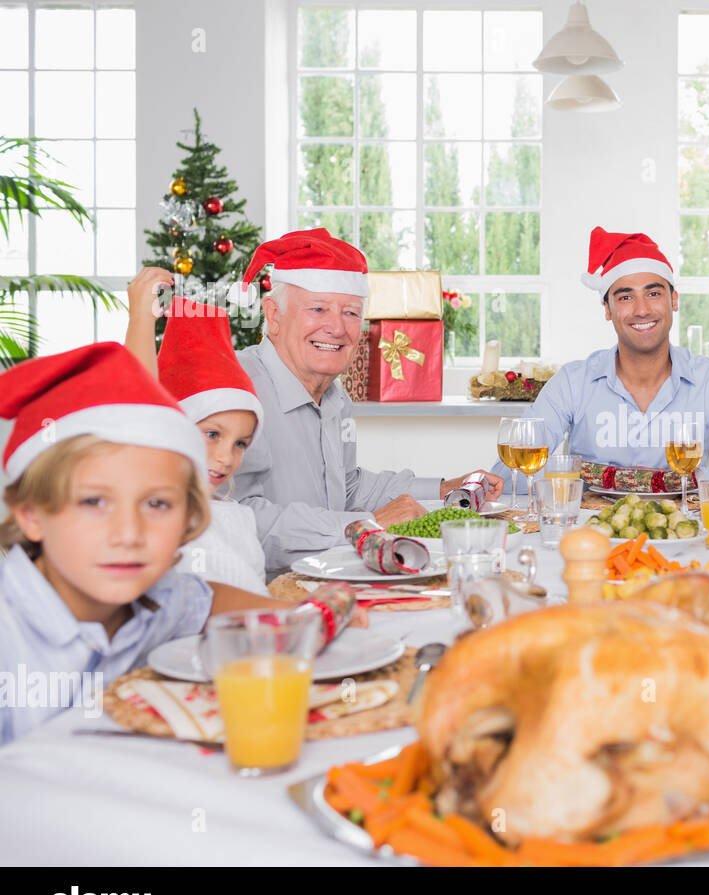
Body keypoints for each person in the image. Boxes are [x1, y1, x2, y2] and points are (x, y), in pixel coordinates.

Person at [0, 343, 302, 744]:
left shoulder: (157, 599)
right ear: (31, 514)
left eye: (157, 504)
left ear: (188, 518)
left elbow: (207, 600)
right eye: (94, 501)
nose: (129, 534)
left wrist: (309, 616)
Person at [230, 229, 502, 570]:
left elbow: (348, 486)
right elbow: (239, 518)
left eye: (351, 313)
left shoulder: (335, 399)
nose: (337, 328)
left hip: (329, 579)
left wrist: (445, 488)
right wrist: (365, 525)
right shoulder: (237, 390)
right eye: (318, 309)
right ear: (273, 316)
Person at [501, 226, 709, 491]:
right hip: (592, 529)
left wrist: (680, 481)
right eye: (626, 297)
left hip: (683, 530)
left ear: (673, 299)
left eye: (653, 293)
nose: (642, 310)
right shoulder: (573, 382)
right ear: (608, 309)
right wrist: (596, 476)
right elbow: (509, 474)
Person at [124, 268, 269, 594]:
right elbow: (142, 408)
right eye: (213, 434)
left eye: (240, 443)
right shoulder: (155, 506)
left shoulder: (239, 519)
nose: (226, 457)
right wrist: (141, 318)